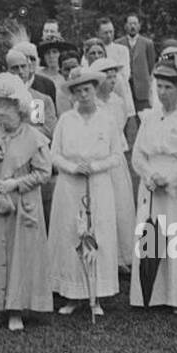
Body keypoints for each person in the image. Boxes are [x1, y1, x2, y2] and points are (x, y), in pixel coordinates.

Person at [0, 74, 54, 331]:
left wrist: (16, 184)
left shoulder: (34, 137)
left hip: (22, 208)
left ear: (19, 109)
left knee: (20, 257)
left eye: (5, 106)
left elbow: (44, 173)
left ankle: (17, 310)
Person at [130, 61, 177, 312]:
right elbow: (138, 155)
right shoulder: (150, 118)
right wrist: (150, 176)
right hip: (151, 187)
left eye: (168, 87)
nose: (162, 92)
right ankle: (151, 294)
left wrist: (169, 180)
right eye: (159, 86)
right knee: (151, 238)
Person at [49, 66, 123, 317]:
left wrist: (95, 166)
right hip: (70, 186)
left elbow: (116, 155)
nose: (83, 94)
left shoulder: (108, 119)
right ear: (72, 94)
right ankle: (72, 295)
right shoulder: (66, 120)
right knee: (71, 233)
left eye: (87, 89)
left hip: (99, 184)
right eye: (78, 91)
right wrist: (71, 167)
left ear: (95, 90)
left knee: (97, 233)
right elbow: (54, 153)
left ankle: (96, 295)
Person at [92, 56, 137, 267]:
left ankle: (122, 257)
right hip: (97, 160)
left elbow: (120, 129)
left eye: (114, 77)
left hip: (115, 160)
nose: (112, 81)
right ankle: (103, 256)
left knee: (121, 205)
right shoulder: (90, 104)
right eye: (107, 77)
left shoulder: (118, 102)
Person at [120, 14, 158, 111]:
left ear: (139, 26)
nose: (132, 26)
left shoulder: (147, 43)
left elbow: (151, 64)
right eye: (130, 24)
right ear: (125, 26)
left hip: (142, 87)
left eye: (135, 24)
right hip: (125, 86)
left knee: (143, 115)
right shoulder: (119, 43)